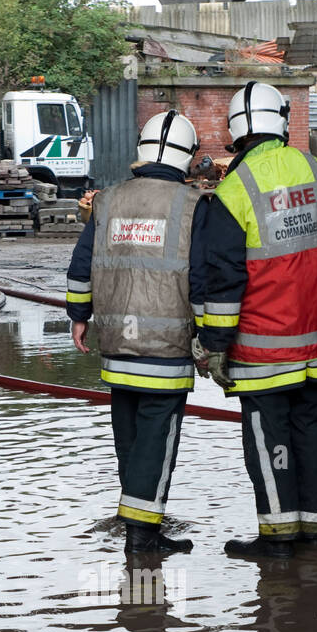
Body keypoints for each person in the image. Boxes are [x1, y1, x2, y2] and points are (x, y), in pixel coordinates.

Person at [196, 81, 317, 557]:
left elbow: (222, 280)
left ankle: (278, 540)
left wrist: (214, 346)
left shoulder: (234, 190)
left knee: (268, 441)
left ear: (236, 132)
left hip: (262, 353)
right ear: (281, 124)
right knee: (311, 438)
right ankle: (311, 535)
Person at [66, 111, 208, 554]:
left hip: (116, 345)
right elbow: (203, 279)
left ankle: (134, 518)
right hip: (166, 349)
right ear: (187, 157)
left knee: (128, 435)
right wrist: (209, 337)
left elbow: (80, 265)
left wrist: (79, 314)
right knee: (157, 439)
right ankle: (143, 536)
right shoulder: (194, 206)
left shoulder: (106, 200)